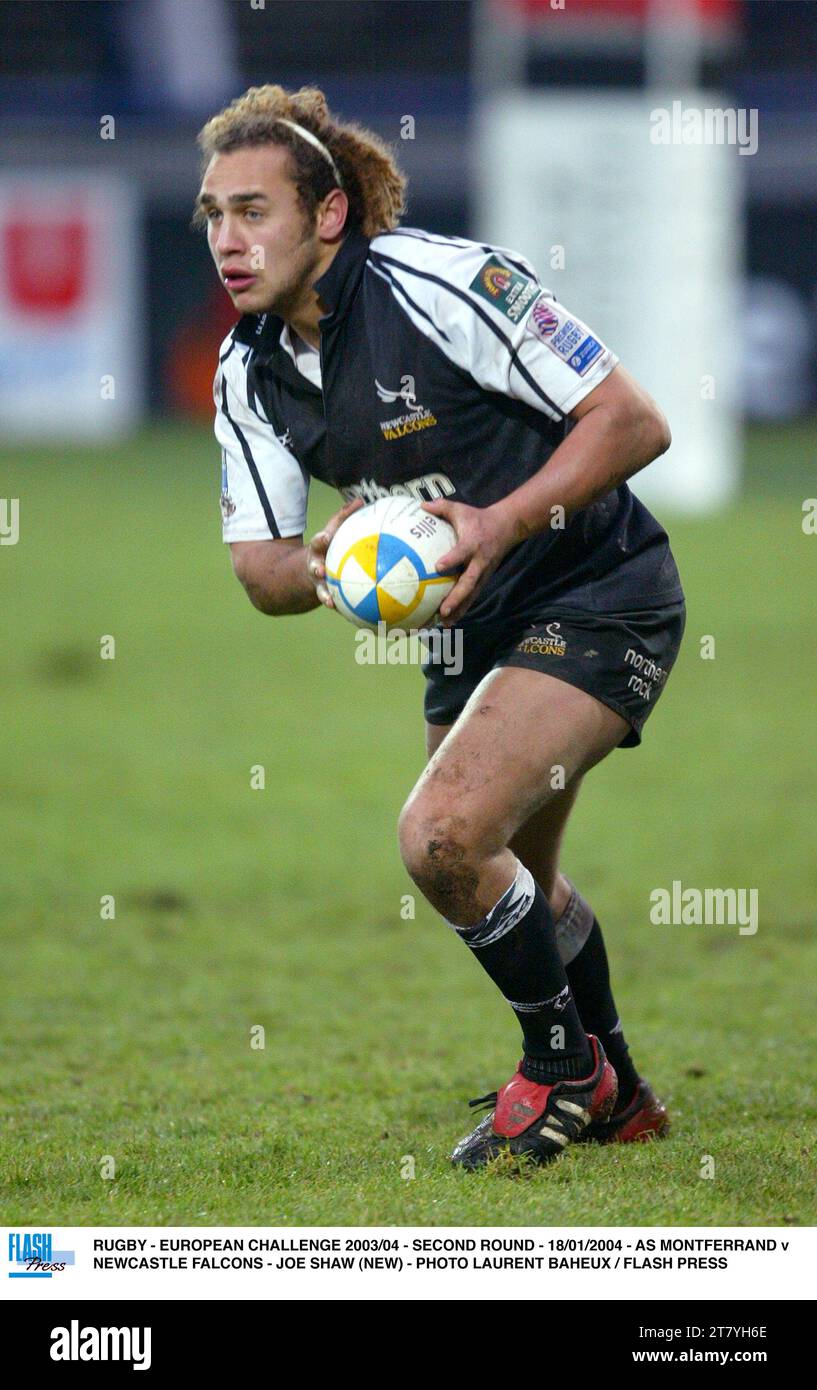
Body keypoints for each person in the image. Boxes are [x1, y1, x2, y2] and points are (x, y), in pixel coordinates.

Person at [194, 84, 685, 1169]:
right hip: (463, 632)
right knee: (512, 878)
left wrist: (501, 524)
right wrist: (332, 564)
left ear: (328, 215)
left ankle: (560, 1069)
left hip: (598, 584)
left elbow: (634, 420)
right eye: (213, 216)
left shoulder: (446, 282)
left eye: (254, 211)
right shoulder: (249, 370)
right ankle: (621, 1091)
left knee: (443, 836)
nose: (229, 241)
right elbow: (260, 569)